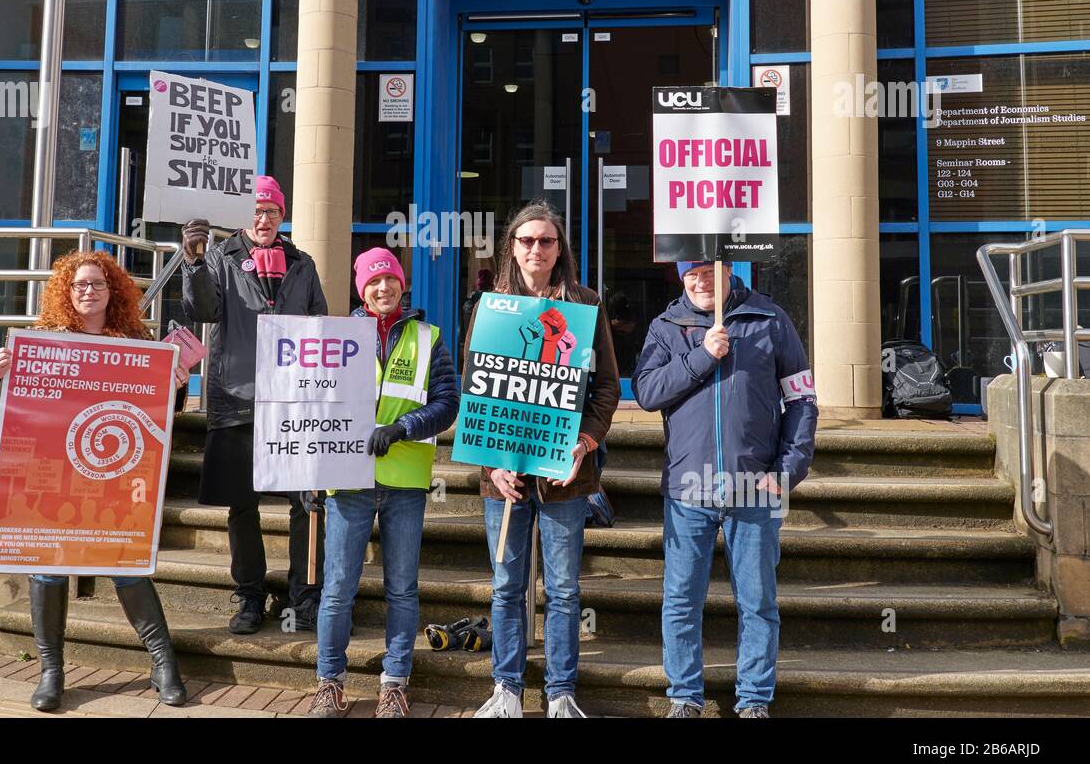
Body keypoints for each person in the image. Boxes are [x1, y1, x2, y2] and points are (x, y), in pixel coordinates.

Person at [0, 250, 190, 712]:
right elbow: (5, 406)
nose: (88, 291)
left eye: (97, 284)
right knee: (48, 568)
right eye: (79, 285)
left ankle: (163, 664)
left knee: (126, 565)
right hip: (55, 475)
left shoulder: (136, 340)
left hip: (115, 474)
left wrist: (175, 386)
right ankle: (51, 671)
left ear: (112, 290)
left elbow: (161, 416)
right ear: (65, 292)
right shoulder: (42, 340)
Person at [631, 260, 817, 719]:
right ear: (680, 277)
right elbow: (647, 392)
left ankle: (754, 700)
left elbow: (801, 398)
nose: (700, 281)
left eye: (708, 270)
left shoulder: (769, 319)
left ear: (729, 268)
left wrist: (789, 469)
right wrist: (701, 357)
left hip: (755, 486)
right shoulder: (665, 326)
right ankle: (684, 696)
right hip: (686, 487)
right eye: (691, 273)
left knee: (757, 601)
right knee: (681, 601)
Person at [469, 201, 619, 719]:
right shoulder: (492, 305)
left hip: (566, 475)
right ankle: (506, 688)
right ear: (512, 246)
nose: (537, 249)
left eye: (547, 241)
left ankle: (560, 692)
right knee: (507, 585)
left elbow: (605, 389)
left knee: (562, 588)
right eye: (527, 240)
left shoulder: (585, 305)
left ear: (560, 249)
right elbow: (477, 392)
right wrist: (491, 464)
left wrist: (584, 443)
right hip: (504, 476)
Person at [308, 248, 459, 719]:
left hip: (405, 481)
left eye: (390, 279)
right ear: (360, 288)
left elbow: (448, 403)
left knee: (402, 590)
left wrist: (404, 428)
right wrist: (309, 472)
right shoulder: (336, 335)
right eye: (373, 281)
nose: (382, 288)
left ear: (401, 284)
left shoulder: (427, 336)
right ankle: (328, 682)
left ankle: (394, 683)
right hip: (346, 481)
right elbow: (309, 406)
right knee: (336, 588)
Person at [180, 175, 329, 634]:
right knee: (242, 505)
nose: (263, 219)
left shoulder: (302, 263)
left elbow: (320, 325)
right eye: (256, 211)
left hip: (293, 403)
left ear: (282, 215)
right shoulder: (220, 257)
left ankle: (305, 596)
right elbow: (201, 311)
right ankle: (249, 595)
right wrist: (193, 261)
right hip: (237, 399)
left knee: (307, 502)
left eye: (272, 212)